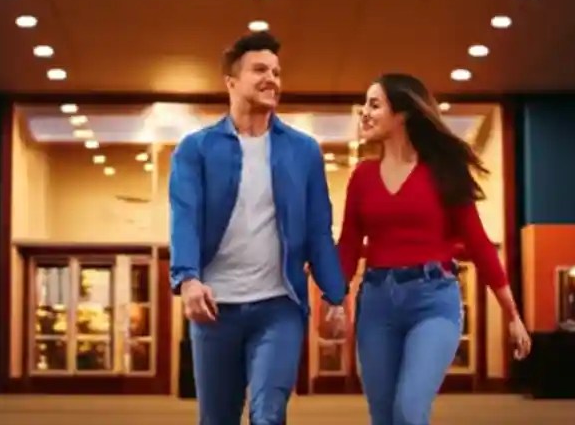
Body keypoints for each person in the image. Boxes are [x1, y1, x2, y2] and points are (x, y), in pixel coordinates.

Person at [169, 31, 349, 425]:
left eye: (277, 71)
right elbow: (184, 218)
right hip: (216, 309)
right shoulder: (195, 149)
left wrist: (335, 295)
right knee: (217, 419)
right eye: (260, 70)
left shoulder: (302, 151)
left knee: (268, 414)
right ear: (231, 82)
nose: (273, 79)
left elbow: (319, 230)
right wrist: (187, 279)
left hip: (279, 306)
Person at [331, 73, 532, 425]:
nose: (364, 112)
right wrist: (334, 298)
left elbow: (479, 245)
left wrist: (512, 314)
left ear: (403, 113)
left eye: (374, 104)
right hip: (376, 304)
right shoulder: (362, 177)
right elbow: (349, 244)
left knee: (408, 411)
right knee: (383, 417)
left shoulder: (444, 172)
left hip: (433, 302)